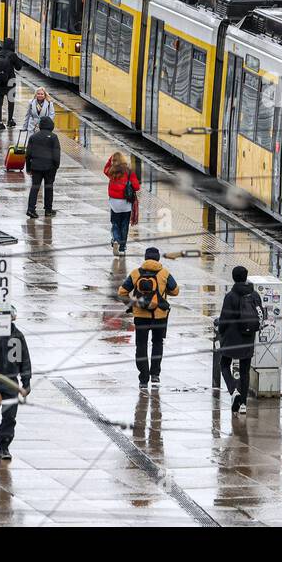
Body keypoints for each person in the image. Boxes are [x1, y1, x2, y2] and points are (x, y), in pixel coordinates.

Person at [117, 246, 178, 388]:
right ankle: (155, 375)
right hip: (160, 316)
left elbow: (122, 292)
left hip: (140, 315)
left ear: (145, 258)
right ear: (158, 258)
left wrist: (132, 303)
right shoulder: (164, 273)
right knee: (157, 343)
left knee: (141, 345)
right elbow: (175, 291)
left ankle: (143, 379)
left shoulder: (135, 273)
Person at [0, 306, 32, 461]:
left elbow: (25, 360)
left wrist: (26, 382)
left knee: (9, 417)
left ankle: (4, 446)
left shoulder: (18, 336)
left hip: (11, 384)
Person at [218, 266, 263, 415]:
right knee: (245, 371)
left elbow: (224, 318)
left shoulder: (231, 296)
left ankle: (233, 390)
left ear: (233, 277)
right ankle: (243, 404)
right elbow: (260, 314)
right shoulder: (254, 295)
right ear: (246, 277)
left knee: (224, 364)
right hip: (248, 337)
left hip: (231, 337)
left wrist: (221, 333)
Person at [104, 151, 139, 255]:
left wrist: (111, 159)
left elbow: (105, 169)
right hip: (126, 203)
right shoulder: (129, 172)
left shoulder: (111, 171)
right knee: (124, 225)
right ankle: (122, 248)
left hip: (114, 202)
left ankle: (116, 239)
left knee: (115, 223)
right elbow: (137, 187)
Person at [25, 116, 60, 219]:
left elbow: (28, 154)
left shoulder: (33, 137)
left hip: (36, 166)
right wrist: (56, 166)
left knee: (35, 187)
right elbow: (56, 154)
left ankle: (31, 209)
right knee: (49, 187)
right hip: (49, 167)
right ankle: (48, 210)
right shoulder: (53, 137)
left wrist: (28, 168)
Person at [0, 38, 23, 129]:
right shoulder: (12, 55)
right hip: (10, 81)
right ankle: (10, 120)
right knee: (10, 101)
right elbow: (19, 67)